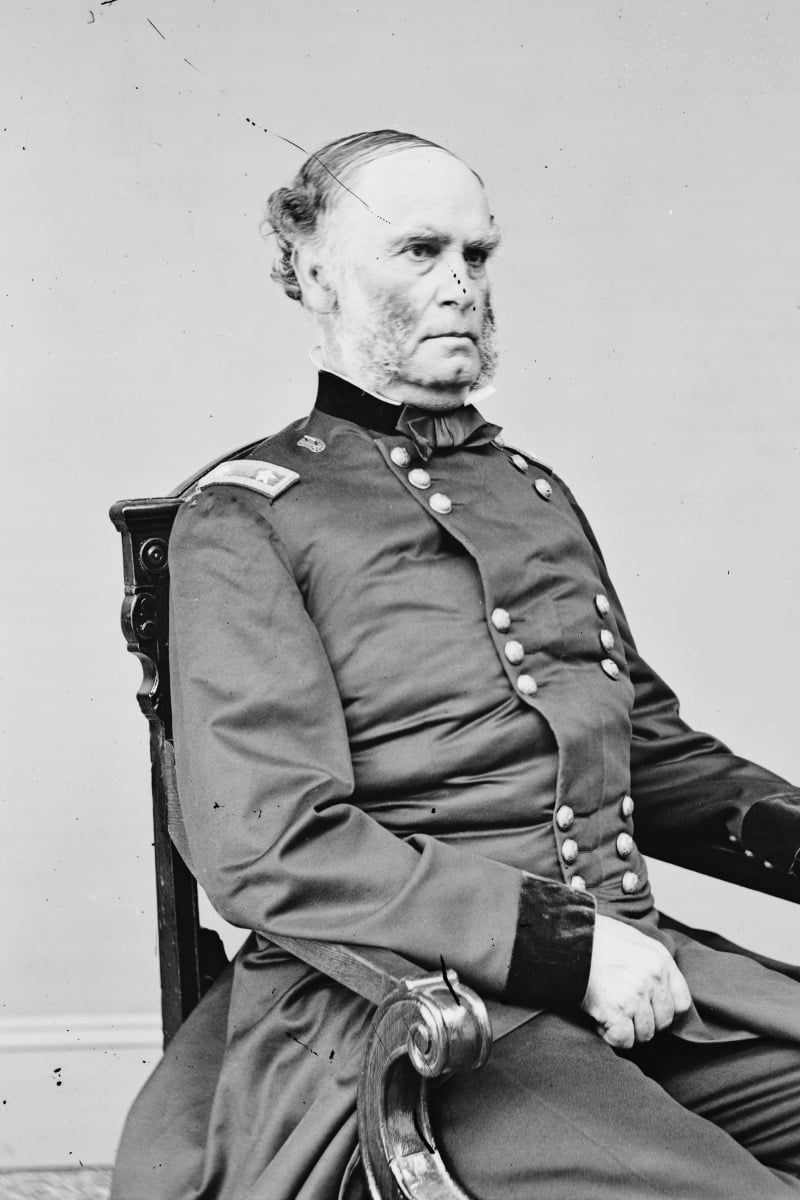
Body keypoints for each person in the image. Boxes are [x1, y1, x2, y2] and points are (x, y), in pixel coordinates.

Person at [111, 130, 800, 1200]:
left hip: (641, 975)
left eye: (476, 255)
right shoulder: (247, 519)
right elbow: (269, 843)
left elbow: (646, 754)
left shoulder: (530, 491)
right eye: (419, 251)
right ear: (313, 274)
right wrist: (566, 949)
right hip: (412, 1012)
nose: (460, 286)